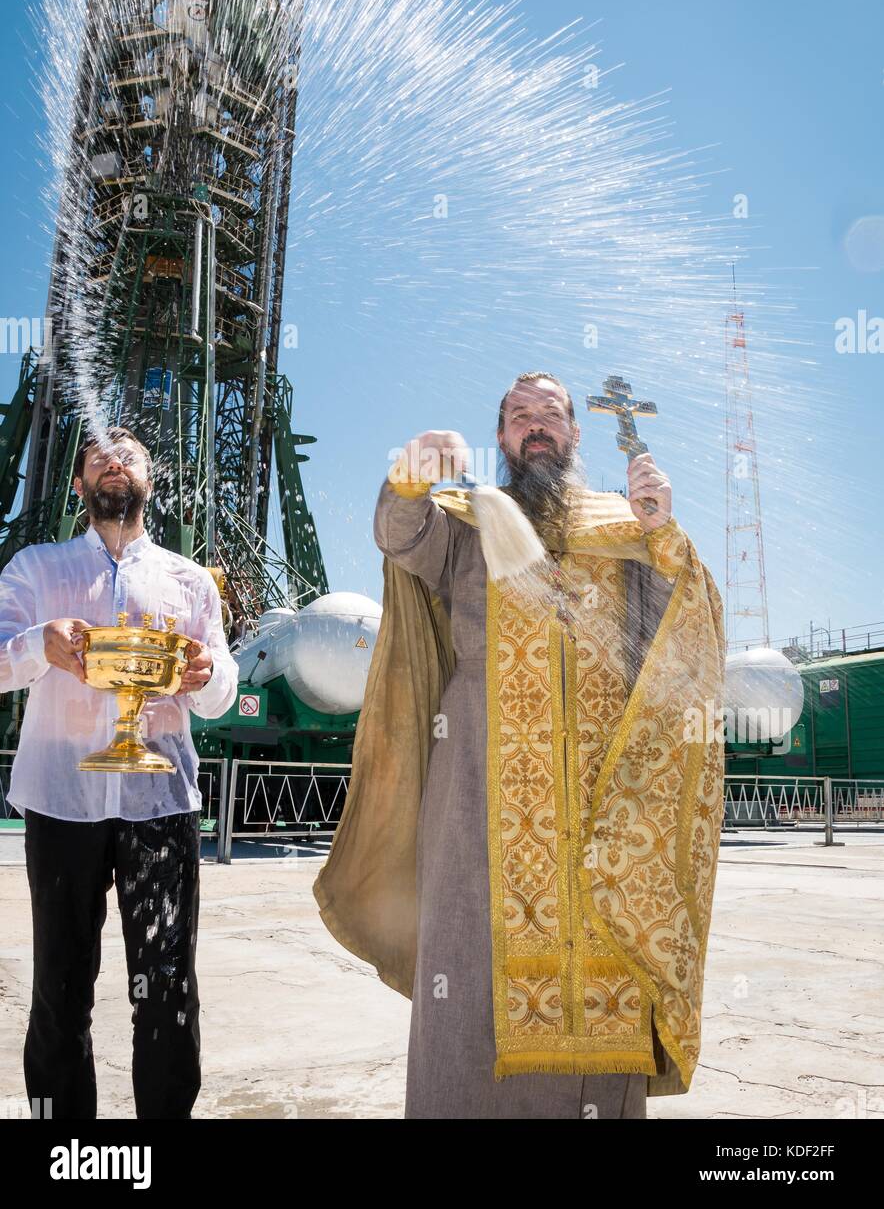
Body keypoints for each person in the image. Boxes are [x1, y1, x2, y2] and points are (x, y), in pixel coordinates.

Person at [315, 371, 725, 1119]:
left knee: (602, 963)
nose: (535, 424)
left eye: (550, 413)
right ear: (501, 438)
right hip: (475, 790)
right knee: (469, 972)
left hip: (605, 799)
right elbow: (401, 536)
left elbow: (672, 634)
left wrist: (666, 532)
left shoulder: (623, 525)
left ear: (574, 433)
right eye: (517, 415)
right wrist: (407, 478)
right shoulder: (475, 525)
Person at [0, 426, 239, 1119]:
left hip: (158, 799)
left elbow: (222, 688)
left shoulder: (190, 580)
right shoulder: (35, 569)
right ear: (79, 484)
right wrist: (35, 645)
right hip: (61, 797)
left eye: (129, 453)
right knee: (60, 986)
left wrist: (203, 674)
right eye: (100, 455)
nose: (114, 461)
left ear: (149, 483)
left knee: (166, 986)